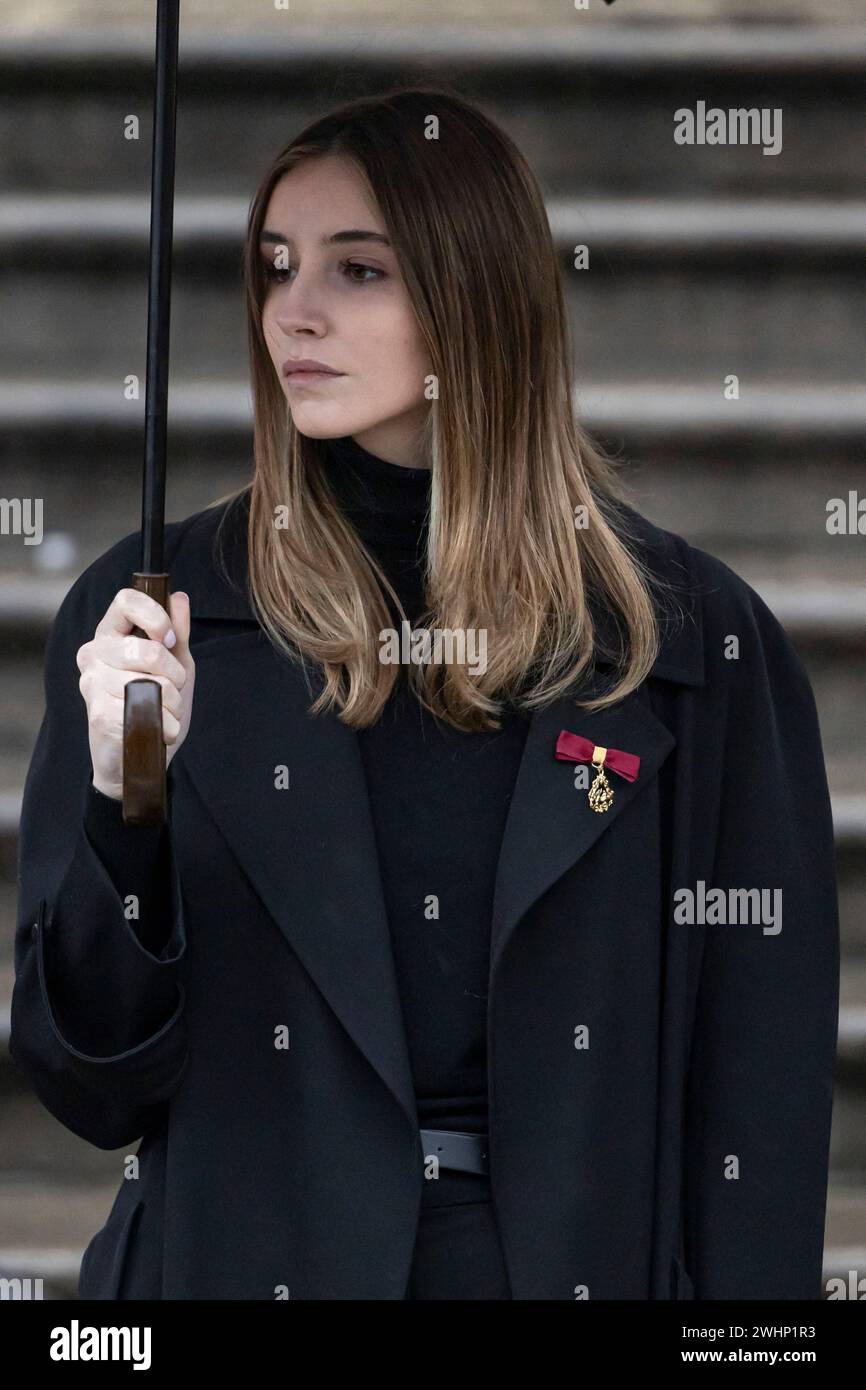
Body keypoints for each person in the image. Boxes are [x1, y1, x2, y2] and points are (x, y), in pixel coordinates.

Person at [11, 86, 839, 1300]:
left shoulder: (689, 642)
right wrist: (123, 800)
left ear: (474, 297)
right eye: (276, 265)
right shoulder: (158, 618)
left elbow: (756, 1096)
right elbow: (88, 1085)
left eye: (358, 271)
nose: (291, 311)